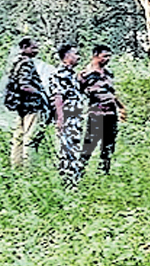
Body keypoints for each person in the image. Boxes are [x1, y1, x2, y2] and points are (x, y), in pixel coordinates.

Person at [79, 45, 125, 175]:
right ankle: (78, 173)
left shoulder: (108, 73)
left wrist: (121, 106)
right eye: (104, 56)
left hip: (111, 113)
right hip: (96, 113)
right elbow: (79, 92)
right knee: (89, 145)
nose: (108, 59)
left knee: (109, 145)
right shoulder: (85, 75)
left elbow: (112, 92)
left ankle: (104, 173)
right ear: (95, 56)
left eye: (109, 56)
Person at [7, 38, 49, 169]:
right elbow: (24, 85)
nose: (36, 51)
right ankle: (29, 170)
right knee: (30, 139)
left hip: (21, 106)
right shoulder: (26, 63)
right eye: (33, 48)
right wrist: (40, 94)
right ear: (24, 48)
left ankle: (16, 166)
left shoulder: (16, 62)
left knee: (18, 138)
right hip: (31, 106)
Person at [51, 44, 86, 188]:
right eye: (75, 54)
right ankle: (69, 182)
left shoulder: (71, 74)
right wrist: (60, 119)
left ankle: (73, 180)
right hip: (67, 117)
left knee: (74, 146)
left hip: (75, 116)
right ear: (67, 57)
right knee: (68, 149)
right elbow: (58, 97)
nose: (78, 57)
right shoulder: (60, 74)